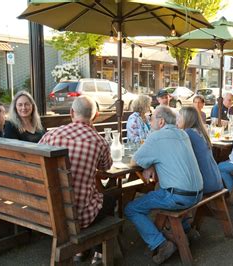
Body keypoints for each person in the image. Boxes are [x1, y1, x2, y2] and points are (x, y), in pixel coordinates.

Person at [125, 106, 203, 264]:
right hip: (198, 193)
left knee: (131, 208)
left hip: (178, 197)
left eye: (152, 117)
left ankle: (160, 243)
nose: (149, 120)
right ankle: (187, 229)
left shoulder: (156, 137)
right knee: (162, 187)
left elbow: (135, 161)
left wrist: (148, 164)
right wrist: (151, 164)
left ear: (160, 121)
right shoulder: (183, 133)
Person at [39, 96, 112, 263]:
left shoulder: (52, 135)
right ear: (96, 116)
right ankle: (98, 252)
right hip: (79, 216)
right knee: (110, 197)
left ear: (72, 112)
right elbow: (106, 167)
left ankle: (82, 251)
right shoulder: (99, 142)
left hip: (48, 210)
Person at [177, 106, 223, 194]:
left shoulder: (187, 133)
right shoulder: (200, 131)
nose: (177, 119)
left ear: (187, 118)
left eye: (179, 116)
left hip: (205, 184)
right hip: (216, 180)